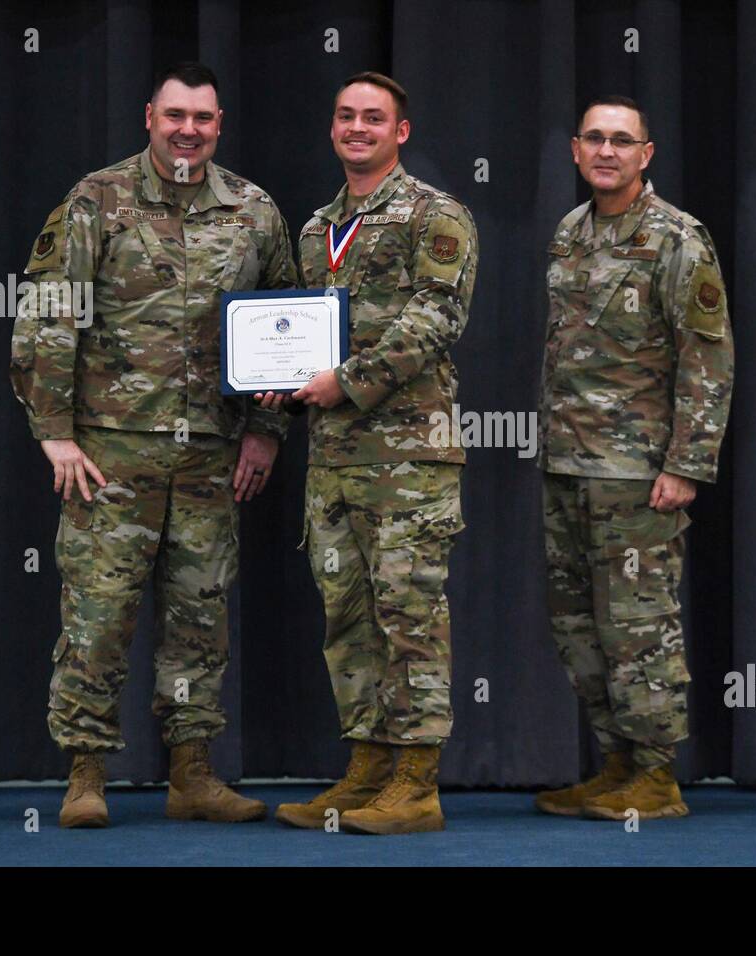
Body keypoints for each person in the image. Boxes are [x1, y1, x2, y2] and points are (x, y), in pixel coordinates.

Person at [10, 61, 298, 828]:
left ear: (220, 123)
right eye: (175, 115)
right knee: (98, 616)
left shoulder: (254, 211)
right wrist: (55, 432)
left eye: (203, 118)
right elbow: (48, 315)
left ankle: (192, 775)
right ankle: (85, 774)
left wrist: (267, 434)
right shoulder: (96, 200)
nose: (188, 130)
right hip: (112, 453)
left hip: (210, 453)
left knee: (199, 619)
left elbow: (286, 330)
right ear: (149, 117)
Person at [261, 72, 478, 835]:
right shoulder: (319, 226)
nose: (359, 128)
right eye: (347, 116)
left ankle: (417, 784)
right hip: (333, 462)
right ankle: (368, 768)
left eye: (374, 118)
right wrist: (279, 382)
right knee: (348, 621)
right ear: (332, 129)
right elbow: (296, 326)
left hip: (409, 459)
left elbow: (435, 320)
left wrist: (343, 382)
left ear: (401, 132)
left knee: (410, 616)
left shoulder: (436, 214)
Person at [533, 96, 734, 821]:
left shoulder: (678, 238)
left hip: (638, 472)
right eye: (594, 138)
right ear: (576, 151)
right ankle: (615, 763)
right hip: (566, 462)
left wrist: (686, 463)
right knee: (578, 626)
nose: (607, 151)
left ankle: (655, 773)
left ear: (646, 155)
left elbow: (707, 358)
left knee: (638, 626)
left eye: (623, 141)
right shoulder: (569, 232)